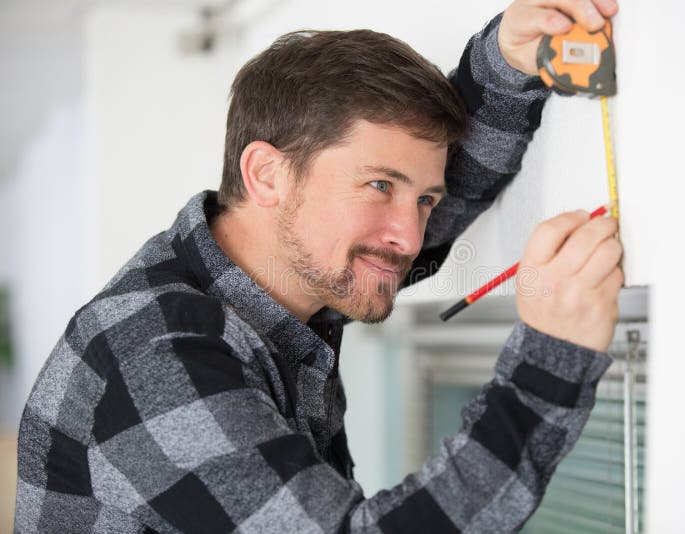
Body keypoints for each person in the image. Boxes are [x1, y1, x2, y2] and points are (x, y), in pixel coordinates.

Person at [15, 0, 622, 531]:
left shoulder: (289, 284)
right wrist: (550, 362)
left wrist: (507, 65)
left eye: (423, 201)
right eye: (380, 185)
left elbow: (445, 187)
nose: (410, 236)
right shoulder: (157, 355)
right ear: (267, 175)